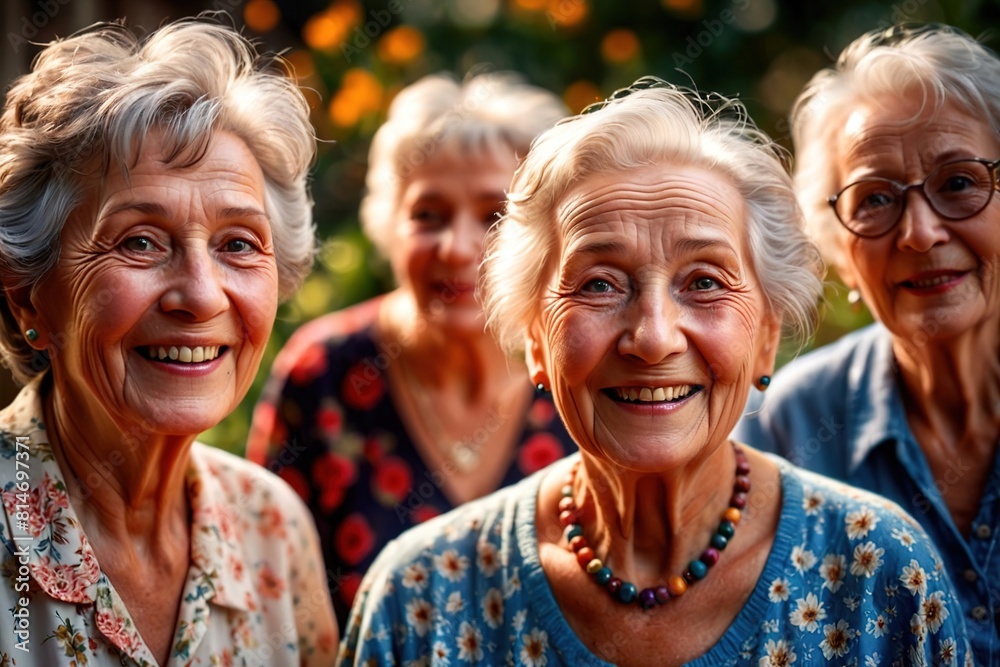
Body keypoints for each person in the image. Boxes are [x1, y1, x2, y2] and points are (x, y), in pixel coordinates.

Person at [337, 79, 971, 666]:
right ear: (535, 340)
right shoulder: (420, 596)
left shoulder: (880, 573)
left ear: (765, 338)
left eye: (704, 281)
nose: (653, 337)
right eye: (599, 284)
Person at [0, 17, 337, 665]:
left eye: (238, 243)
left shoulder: (272, 528)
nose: (202, 296)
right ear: (26, 294)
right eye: (140, 241)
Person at [246, 71, 575, 630]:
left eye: (495, 216)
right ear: (389, 224)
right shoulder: (324, 372)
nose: (458, 248)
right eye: (429, 215)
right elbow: (267, 592)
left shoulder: (583, 372)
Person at [731, 23, 1000, 665]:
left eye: (959, 182)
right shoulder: (786, 427)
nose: (920, 233)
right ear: (840, 251)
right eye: (874, 198)